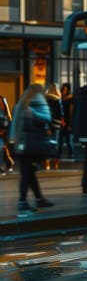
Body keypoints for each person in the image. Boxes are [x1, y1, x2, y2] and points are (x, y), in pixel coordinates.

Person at [8, 84, 55, 214]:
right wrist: (34, 113)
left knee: (29, 172)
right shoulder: (38, 99)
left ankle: (39, 199)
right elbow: (47, 118)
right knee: (27, 174)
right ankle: (22, 202)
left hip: (21, 143)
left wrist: (13, 141)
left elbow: (15, 124)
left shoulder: (21, 102)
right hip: (32, 144)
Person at [44, 83, 63, 170]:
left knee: (46, 143)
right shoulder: (57, 99)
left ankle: (46, 163)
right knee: (55, 144)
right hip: (55, 125)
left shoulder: (44, 98)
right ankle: (55, 163)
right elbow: (60, 113)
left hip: (46, 124)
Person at [58, 83, 75, 161]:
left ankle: (71, 155)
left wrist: (70, 124)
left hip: (67, 122)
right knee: (60, 140)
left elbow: (71, 112)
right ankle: (58, 155)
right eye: (62, 90)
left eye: (64, 90)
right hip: (62, 122)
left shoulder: (70, 99)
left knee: (68, 140)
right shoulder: (61, 99)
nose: (63, 91)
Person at [0, 94, 12, 174]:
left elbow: (7, 120)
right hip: (3, 131)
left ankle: (8, 162)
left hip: (3, 132)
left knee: (2, 147)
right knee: (2, 147)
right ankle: (8, 162)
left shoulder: (3, 99)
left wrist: (4, 130)